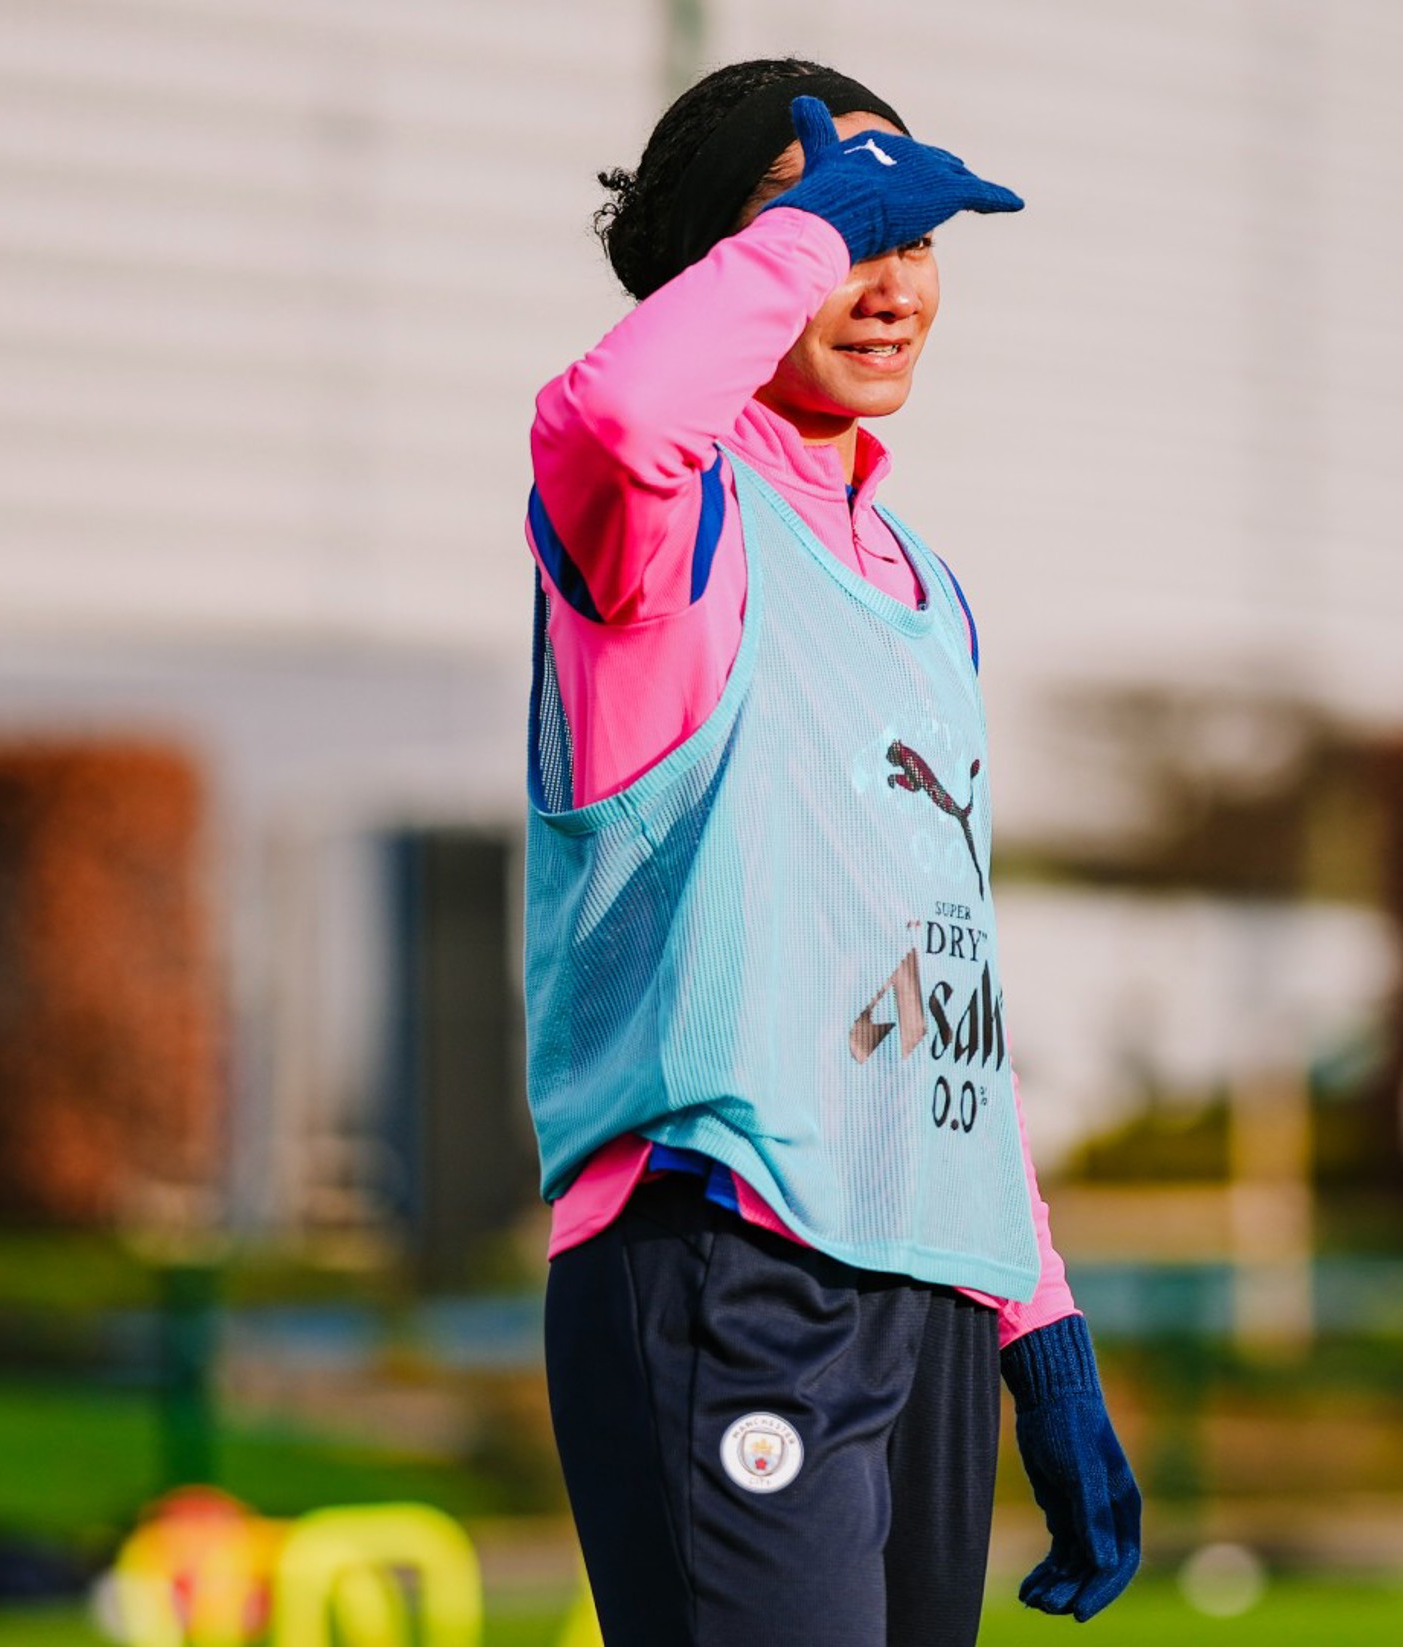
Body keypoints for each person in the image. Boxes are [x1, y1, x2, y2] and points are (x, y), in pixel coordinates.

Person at [520, 58, 1140, 1646]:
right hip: (724, 1258)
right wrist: (812, 224)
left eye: (912, 231)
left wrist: (1040, 1324)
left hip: (924, 1291)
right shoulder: (671, 529)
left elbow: (945, 988)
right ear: (725, 269)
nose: (886, 277)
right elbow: (613, 415)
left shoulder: (928, 591)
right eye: (832, 230)